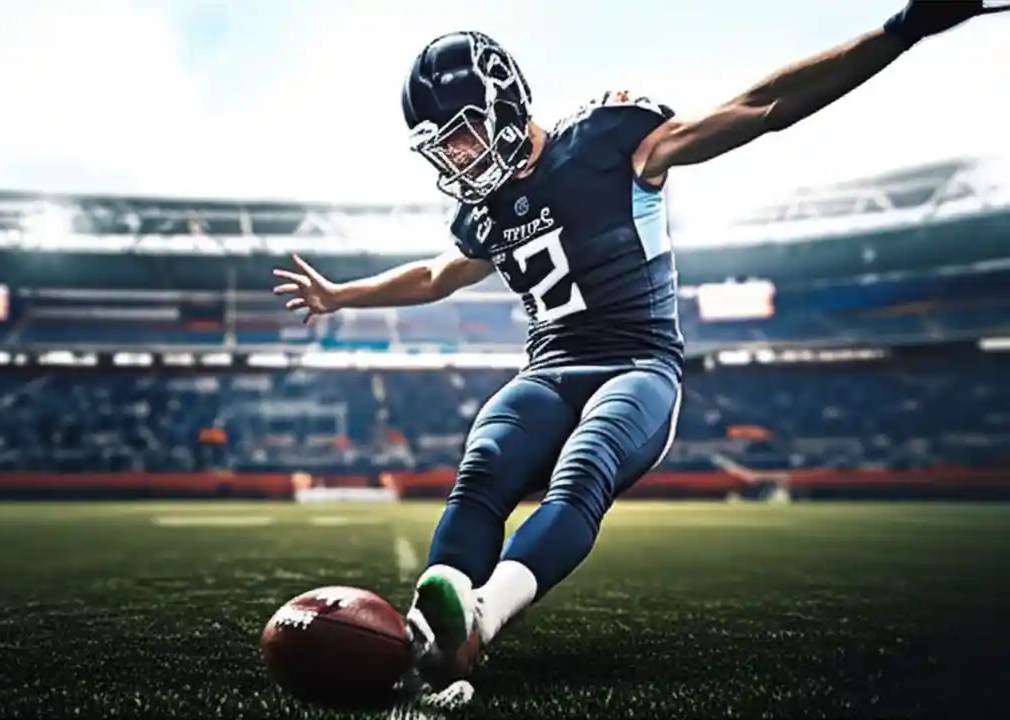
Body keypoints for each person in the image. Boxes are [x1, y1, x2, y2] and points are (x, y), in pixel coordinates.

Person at [272, 0, 1007, 689]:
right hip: (550, 369)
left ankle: (482, 622)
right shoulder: (482, 214)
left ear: (503, 100)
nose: (459, 156)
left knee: (584, 467)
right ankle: (433, 627)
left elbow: (762, 107)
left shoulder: (609, 143)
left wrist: (902, 29)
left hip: (636, 364)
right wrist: (342, 296)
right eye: (445, 144)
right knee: (485, 463)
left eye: (463, 131)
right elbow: (437, 275)